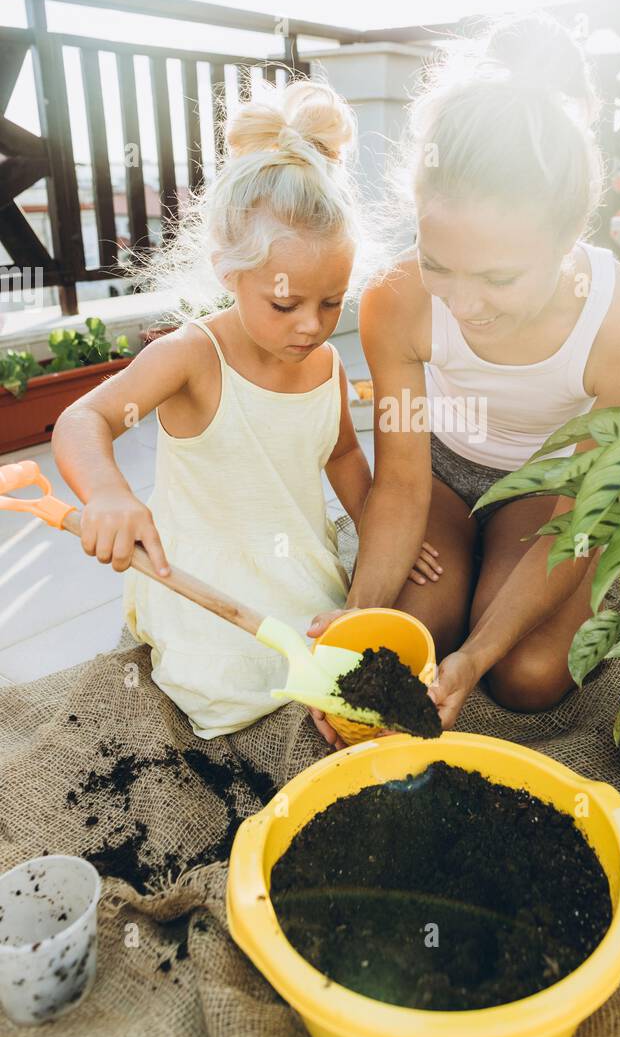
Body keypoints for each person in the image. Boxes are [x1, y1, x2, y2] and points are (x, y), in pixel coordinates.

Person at [308, 12, 620, 746]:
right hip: (439, 479)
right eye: (439, 262)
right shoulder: (397, 299)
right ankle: (465, 581)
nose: (464, 303)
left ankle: (580, 570)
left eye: (500, 276)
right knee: (402, 637)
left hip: (546, 494)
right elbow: (404, 481)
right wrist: (357, 619)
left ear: (569, 239)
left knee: (527, 676)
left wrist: (475, 659)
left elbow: (572, 520)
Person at [51, 78, 436, 739]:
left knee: (342, 649)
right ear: (227, 270)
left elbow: (343, 453)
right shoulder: (193, 357)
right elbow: (84, 419)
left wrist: (381, 526)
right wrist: (108, 494)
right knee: (237, 695)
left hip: (295, 571)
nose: (311, 327)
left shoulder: (327, 366)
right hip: (206, 584)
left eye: (330, 301)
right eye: (285, 304)